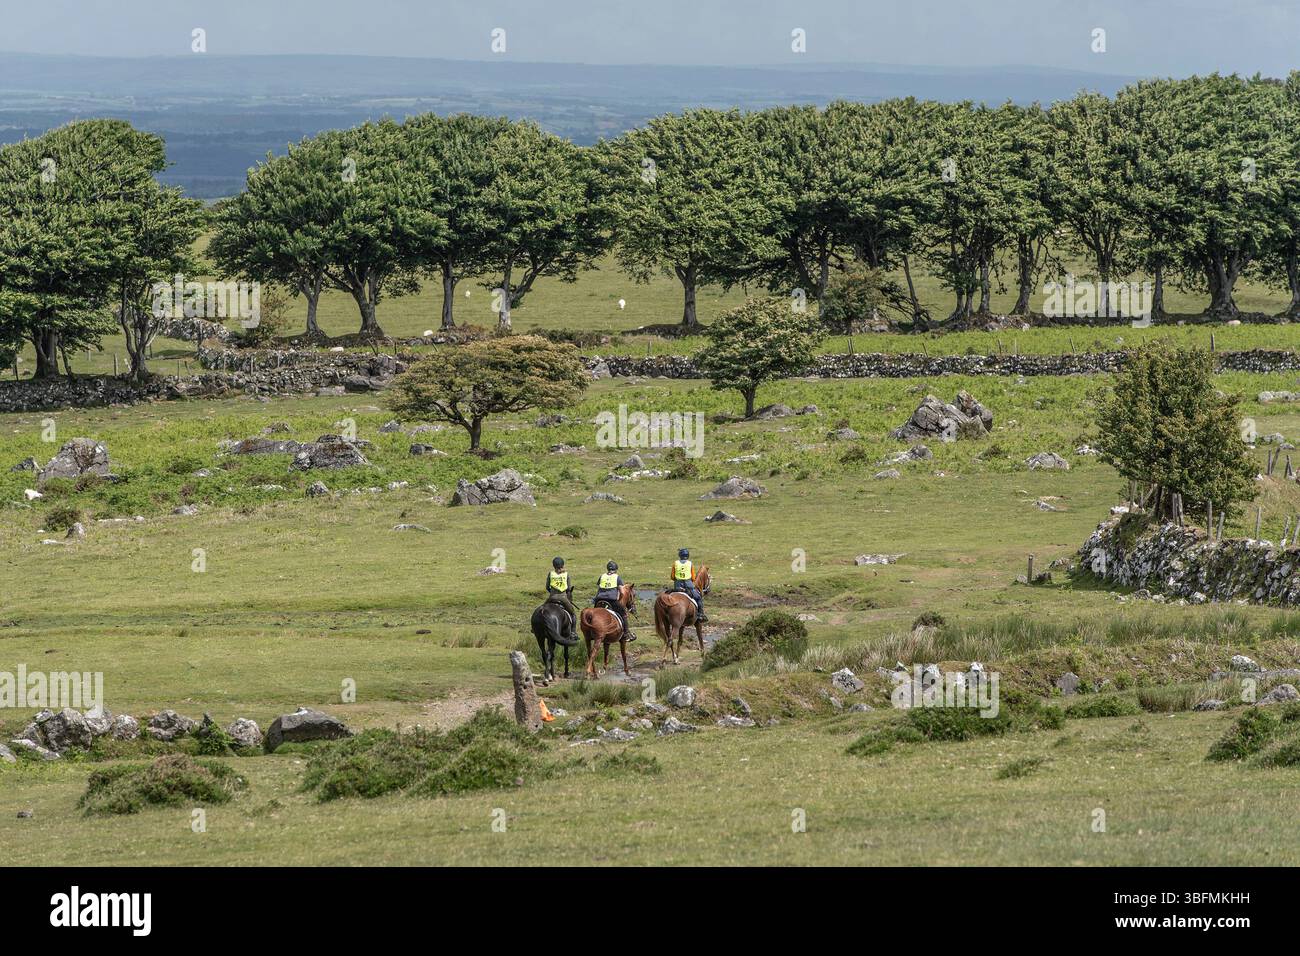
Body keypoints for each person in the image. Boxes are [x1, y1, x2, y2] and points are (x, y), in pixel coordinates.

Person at [593, 560, 635, 642]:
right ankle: (626, 634)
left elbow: (599, 589)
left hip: (599, 600)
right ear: (616, 569)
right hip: (611, 601)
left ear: (607, 569)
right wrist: (619, 599)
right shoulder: (617, 577)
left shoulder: (602, 576)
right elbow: (622, 592)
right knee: (624, 614)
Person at [669, 548, 706, 622]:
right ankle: (700, 614)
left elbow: (672, 577)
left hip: (677, 586)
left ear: (679, 555)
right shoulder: (690, 563)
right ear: (688, 555)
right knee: (698, 597)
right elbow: (693, 577)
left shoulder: (675, 563)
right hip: (688, 585)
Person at [545, 556, 577, 642]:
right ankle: (573, 632)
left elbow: (547, 587)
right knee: (573, 614)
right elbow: (569, 589)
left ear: (553, 565)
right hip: (563, 598)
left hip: (552, 597)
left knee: (542, 610)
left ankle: (535, 628)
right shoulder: (566, 574)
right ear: (562, 565)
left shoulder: (550, 573)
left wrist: (552, 592)